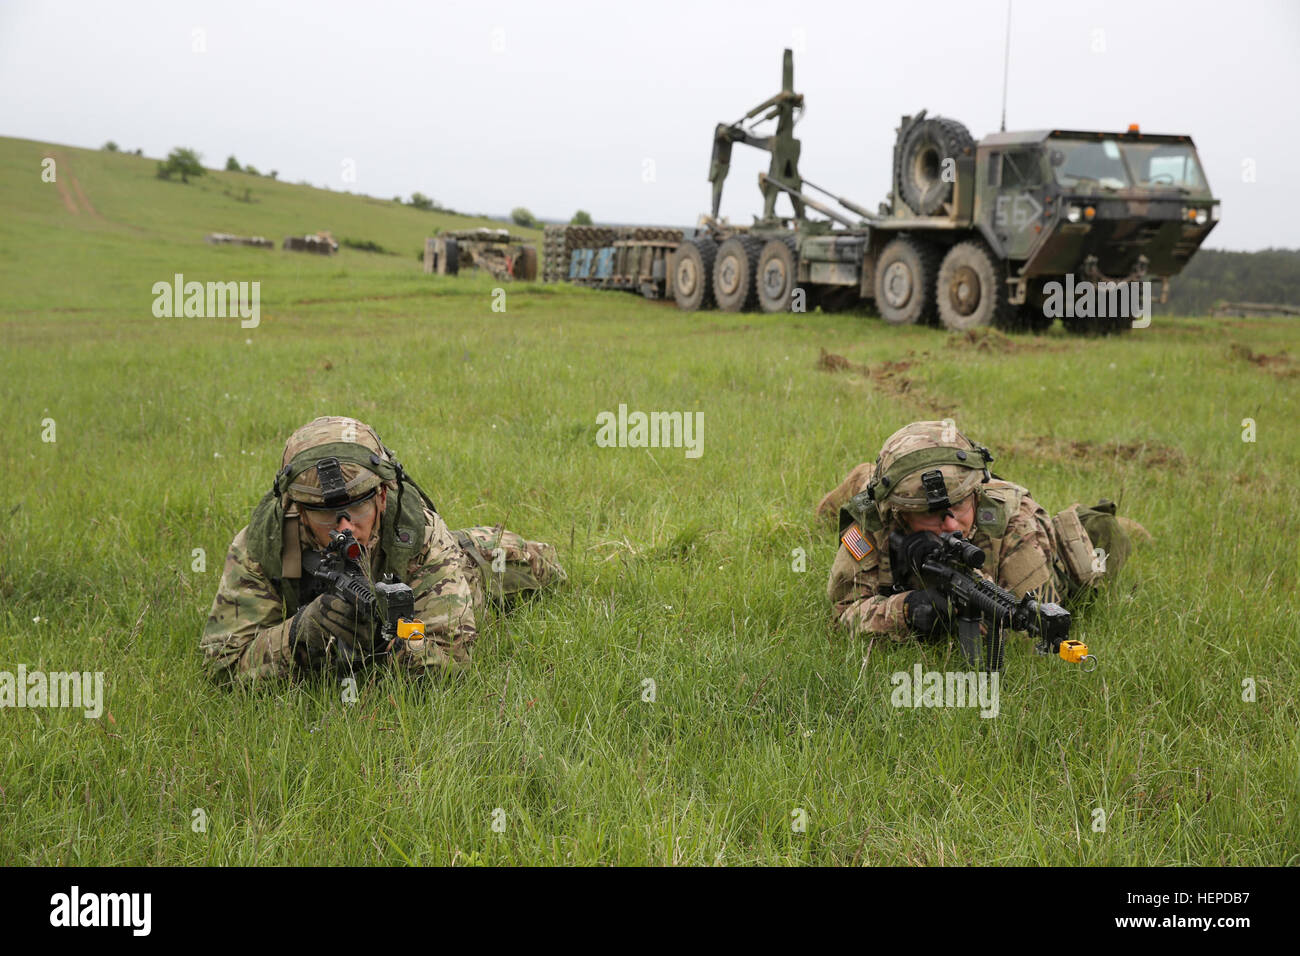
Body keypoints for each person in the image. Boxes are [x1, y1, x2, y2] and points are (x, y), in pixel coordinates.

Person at [201, 416, 565, 680]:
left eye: (358, 508)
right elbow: (222, 666)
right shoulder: (266, 543)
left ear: (382, 496)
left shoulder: (419, 534)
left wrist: (400, 638)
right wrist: (299, 634)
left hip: (468, 563)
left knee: (531, 564)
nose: (345, 528)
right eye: (325, 514)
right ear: (297, 508)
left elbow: (453, 663)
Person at [821, 420, 1141, 643]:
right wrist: (908, 610)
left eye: (959, 506)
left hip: (1046, 545)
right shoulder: (876, 518)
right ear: (900, 512)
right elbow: (843, 613)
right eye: (931, 514)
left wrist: (964, 612)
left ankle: (1114, 522)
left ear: (975, 493)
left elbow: (1026, 633)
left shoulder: (1017, 527)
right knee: (851, 492)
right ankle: (860, 475)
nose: (951, 525)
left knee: (1100, 535)